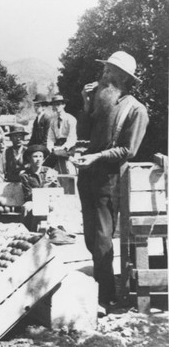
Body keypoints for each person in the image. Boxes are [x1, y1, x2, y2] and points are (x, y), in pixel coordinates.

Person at [76, 51, 149, 314]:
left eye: (110, 71)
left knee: (102, 237)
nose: (104, 74)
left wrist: (97, 156)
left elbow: (129, 151)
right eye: (105, 69)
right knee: (90, 235)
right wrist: (85, 105)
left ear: (124, 78)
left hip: (109, 178)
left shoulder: (136, 109)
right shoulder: (103, 100)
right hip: (88, 175)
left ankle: (105, 296)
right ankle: (99, 287)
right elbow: (84, 134)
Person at [0, 125, 28, 228]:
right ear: (11, 138)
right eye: (15, 136)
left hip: (24, 185)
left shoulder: (28, 152)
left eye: (21, 136)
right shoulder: (6, 152)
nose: (18, 139)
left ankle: (26, 224)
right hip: (8, 185)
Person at [19, 145, 60, 231]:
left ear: (44, 159)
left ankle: (54, 231)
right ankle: (29, 232)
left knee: (55, 206)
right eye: (35, 156)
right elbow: (28, 195)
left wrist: (55, 183)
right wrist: (44, 186)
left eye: (41, 156)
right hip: (32, 201)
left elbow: (57, 190)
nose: (38, 159)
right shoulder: (25, 175)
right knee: (27, 207)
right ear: (29, 159)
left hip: (49, 200)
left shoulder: (49, 171)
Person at [45, 94, 78, 174]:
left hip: (68, 147)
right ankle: (46, 171)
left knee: (55, 154)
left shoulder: (70, 119)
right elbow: (50, 138)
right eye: (54, 105)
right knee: (46, 152)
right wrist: (50, 148)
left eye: (59, 104)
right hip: (57, 146)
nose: (56, 107)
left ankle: (45, 169)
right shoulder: (53, 120)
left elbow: (72, 138)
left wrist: (62, 148)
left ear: (63, 105)